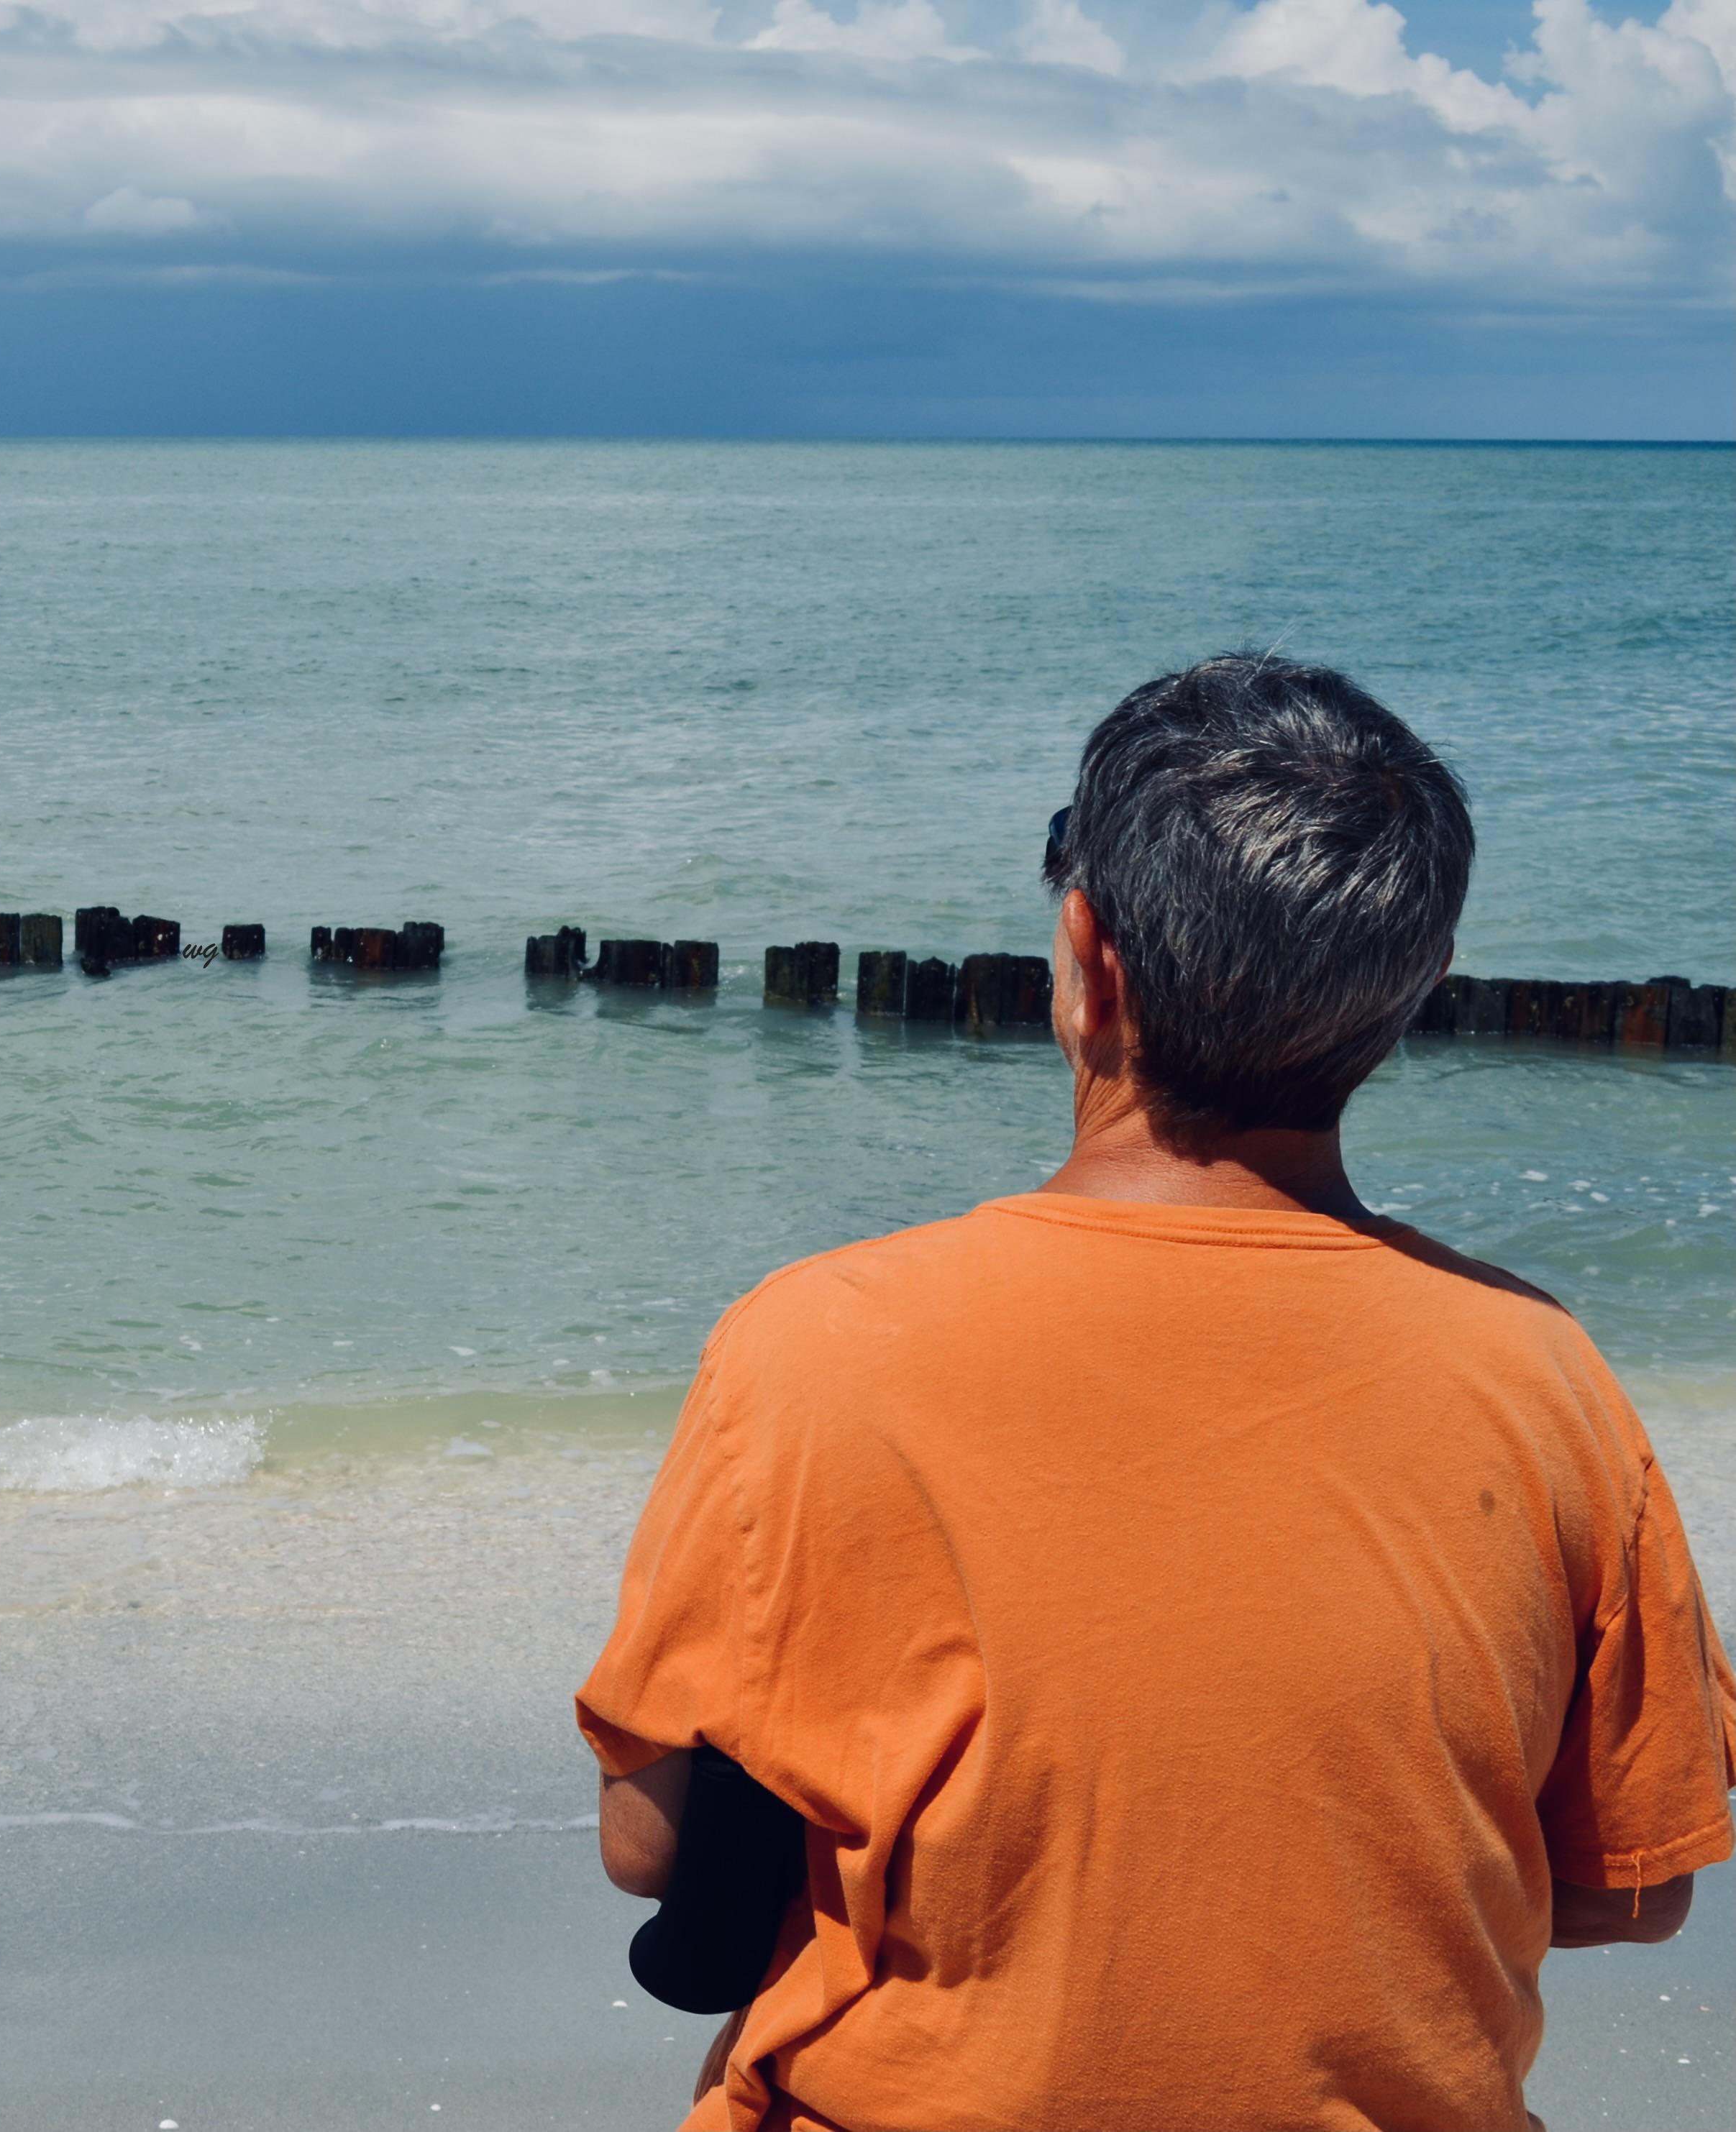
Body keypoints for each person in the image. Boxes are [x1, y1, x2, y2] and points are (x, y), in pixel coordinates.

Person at [575, 654, 1735, 2131]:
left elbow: (646, 1843)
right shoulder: (1544, 1374)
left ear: (1088, 955)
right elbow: (1634, 1890)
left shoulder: (814, 1342)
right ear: (1414, 992)